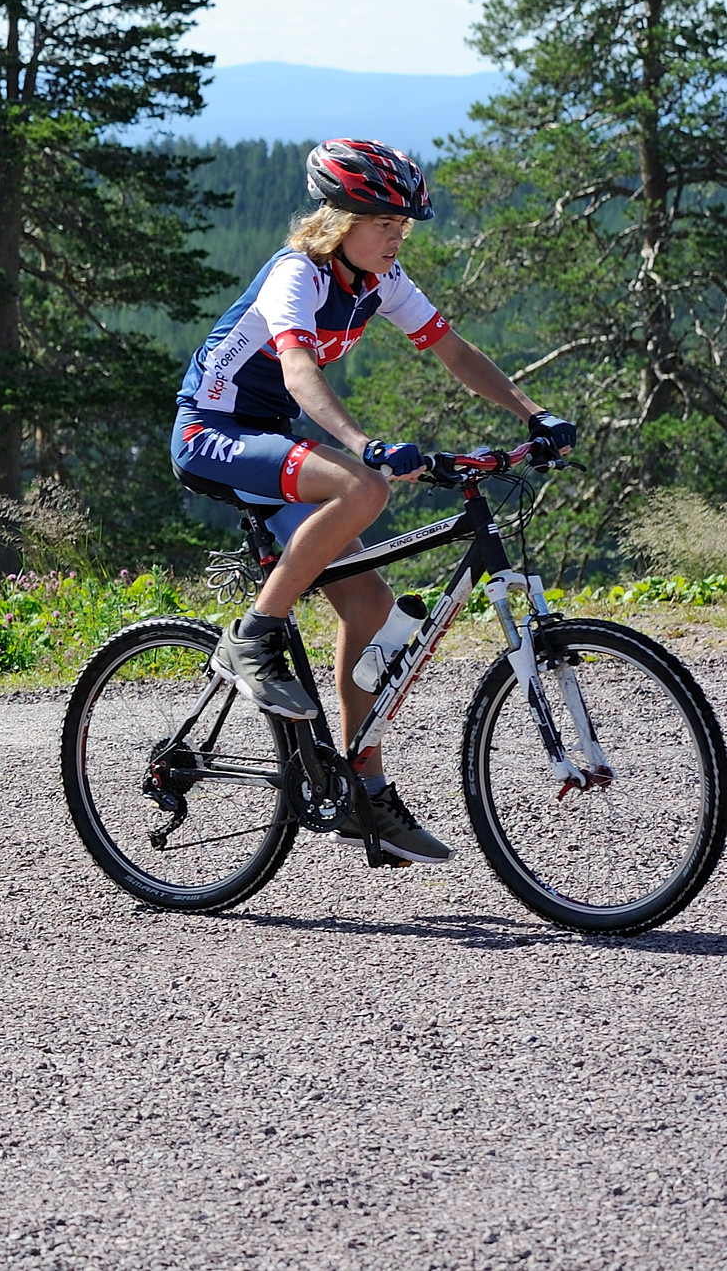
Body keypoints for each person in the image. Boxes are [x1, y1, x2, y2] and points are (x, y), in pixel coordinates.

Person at [172, 139, 573, 864]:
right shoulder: (296, 276)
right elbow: (296, 371)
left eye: (403, 226)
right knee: (365, 485)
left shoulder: (379, 278)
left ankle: (366, 796)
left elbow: (454, 350)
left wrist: (534, 416)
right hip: (214, 434)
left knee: (372, 612)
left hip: (276, 440)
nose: (398, 236)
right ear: (342, 218)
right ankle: (254, 636)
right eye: (385, 223)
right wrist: (362, 442)